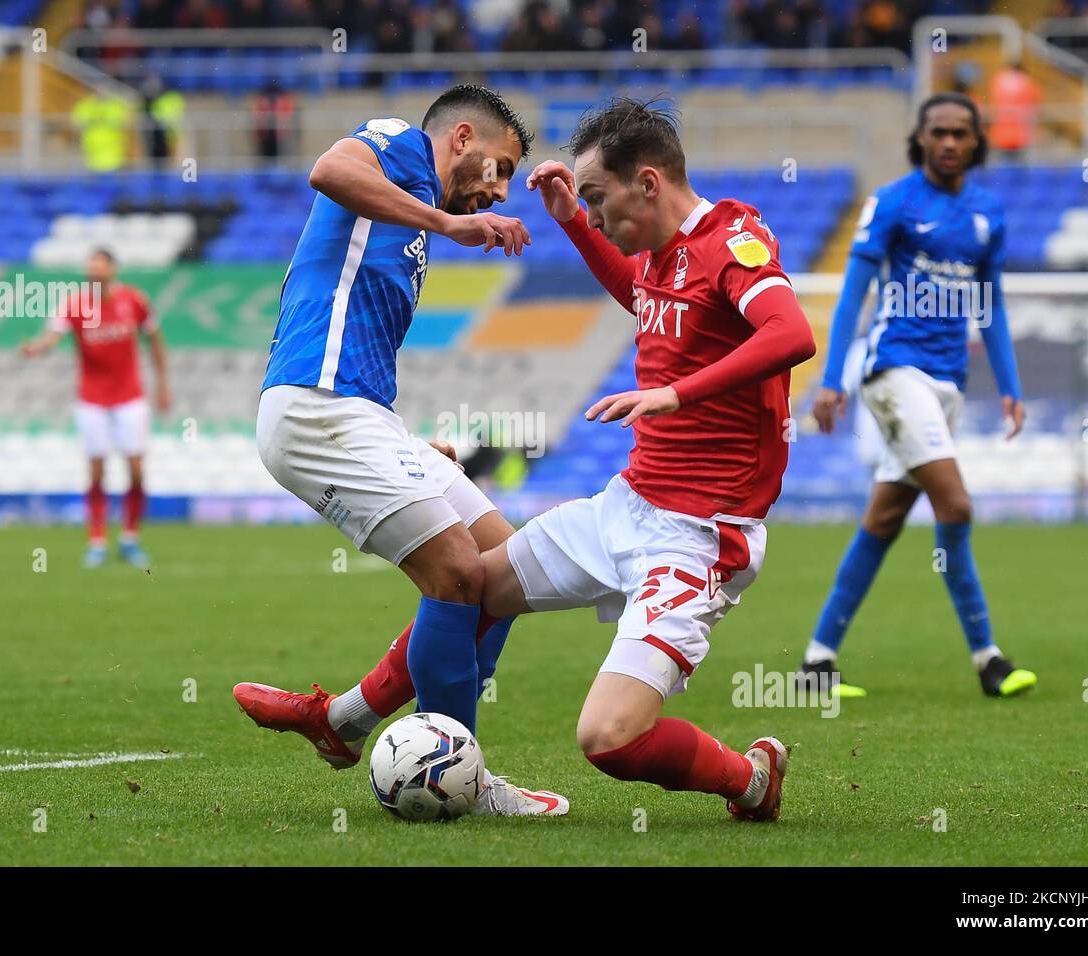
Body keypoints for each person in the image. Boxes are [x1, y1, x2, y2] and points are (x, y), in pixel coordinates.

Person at [250, 99, 817, 823]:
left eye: (599, 199)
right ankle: (374, 732)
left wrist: (675, 392)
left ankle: (750, 779)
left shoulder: (734, 237)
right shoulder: (662, 261)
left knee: (606, 738)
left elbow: (792, 333)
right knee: (471, 583)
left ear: (648, 183)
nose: (597, 214)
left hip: (699, 536)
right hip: (626, 505)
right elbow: (640, 298)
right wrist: (573, 224)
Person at [232, 84, 568, 816]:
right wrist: (446, 220)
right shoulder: (395, 141)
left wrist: (409, 442)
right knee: (454, 572)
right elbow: (328, 170)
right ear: (461, 138)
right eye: (500, 167)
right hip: (316, 409)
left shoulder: (412, 222)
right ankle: (466, 784)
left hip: (365, 415)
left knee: (501, 568)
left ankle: (342, 721)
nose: (501, 188)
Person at [802, 93, 1036, 699]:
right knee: (955, 506)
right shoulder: (894, 201)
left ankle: (816, 664)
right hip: (893, 372)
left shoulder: (988, 214)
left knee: (883, 519)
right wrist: (832, 380)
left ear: (977, 140)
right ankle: (989, 659)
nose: (951, 143)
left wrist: (1010, 386)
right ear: (922, 138)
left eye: (961, 133)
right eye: (940, 133)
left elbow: (993, 307)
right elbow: (854, 292)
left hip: (947, 385)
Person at [21, 249, 170, 569]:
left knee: (136, 470)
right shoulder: (75, 304)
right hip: (92, 399)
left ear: (112, 269)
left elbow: (155, 340)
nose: (94, 272)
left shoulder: (134, 300)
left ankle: (130, 537)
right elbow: (53, 336)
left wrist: (163, 385)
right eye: (90, 268)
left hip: (130, 396)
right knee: (97, 470)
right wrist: (37, 348)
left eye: (99, 266)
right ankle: (98, 541)